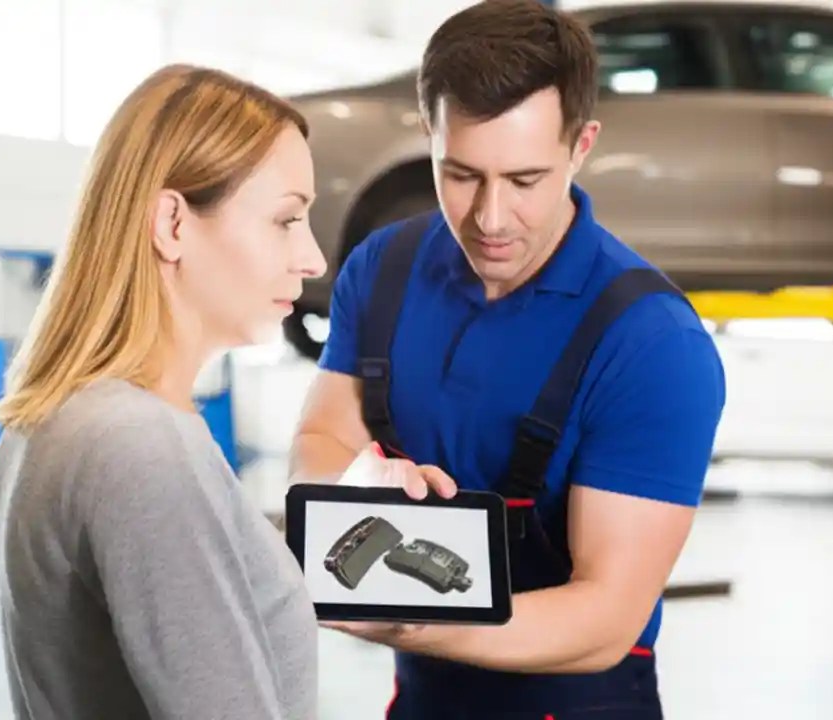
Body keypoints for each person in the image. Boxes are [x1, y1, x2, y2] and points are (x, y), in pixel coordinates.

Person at [289, 1, 726, 717]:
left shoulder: (652, 344)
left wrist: (412, 621)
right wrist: (359, 485)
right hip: (422, 700)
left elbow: (606, 618)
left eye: (525, 180)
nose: (490, 218)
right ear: (428, 133)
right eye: (461, 174)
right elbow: (320, 438)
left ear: (582, 145)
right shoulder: (382, 270)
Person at [0, 64, 327, 720]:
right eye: (287, 219)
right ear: (172, 223)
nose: (313, 259)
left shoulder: (54, 419)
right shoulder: (141, 444)